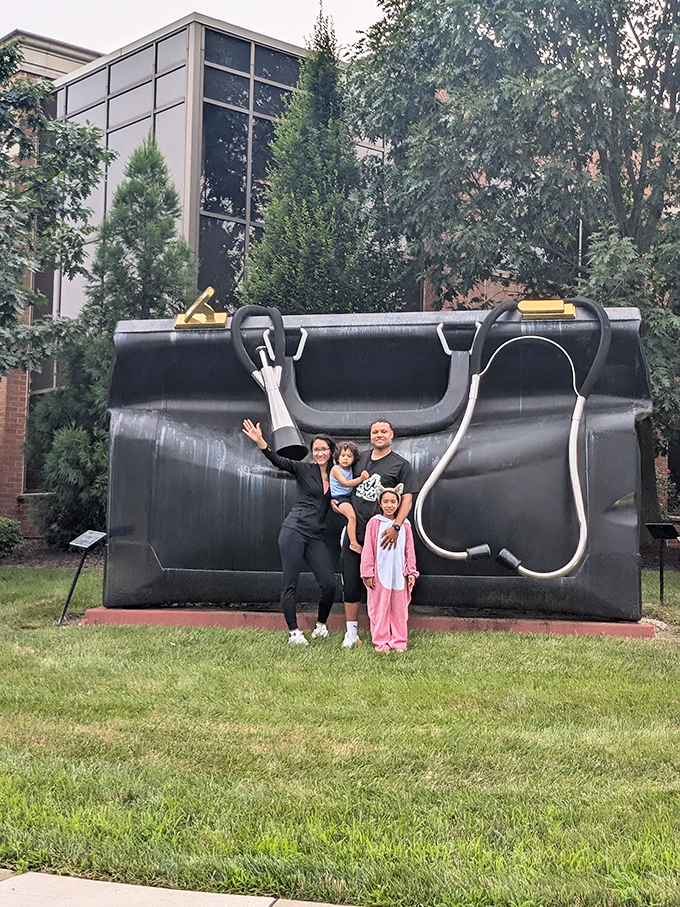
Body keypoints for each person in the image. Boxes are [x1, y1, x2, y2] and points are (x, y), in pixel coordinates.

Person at [242, 418, 337, 645]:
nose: (320, 453)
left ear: (332, 451)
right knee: (290, 582)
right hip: (294, 530)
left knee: (330, 583)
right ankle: (294, 632)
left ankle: (321, 626)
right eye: (316, 449)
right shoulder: (304, 469)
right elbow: (278, 460)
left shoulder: (339, 474)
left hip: (316, 535)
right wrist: (261, 442)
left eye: (324, 449)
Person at [337, 420, 416, 648]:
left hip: (383, 537)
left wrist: (397, 526)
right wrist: (338, 501)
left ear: (392, 434)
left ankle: (391, 633)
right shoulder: (360, 459)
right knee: (351, 581)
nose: (379, 435)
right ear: (370, 436)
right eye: (374, 432)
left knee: (383, 586)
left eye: (383, 431)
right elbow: (341, 477)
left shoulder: (401, 465)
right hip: (356, 532)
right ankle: (351, 632)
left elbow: (407, 499)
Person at [361, 484, 418, 652]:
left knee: (400, 610)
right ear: (380, 503)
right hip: (380, 575)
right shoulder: (374, 523)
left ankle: (399, 641)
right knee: (380, 608)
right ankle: (381, 642)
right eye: (385, 501)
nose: (389, 505)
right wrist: (367, 572)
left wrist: (411, 572)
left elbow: (410, 550)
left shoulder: (405, 525)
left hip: (399, 575)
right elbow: (368, 549)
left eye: (393, 501)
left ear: (398, 503)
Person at [329, 441, 369, 554]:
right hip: (341, 497)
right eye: (343, 456)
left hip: (349, 496)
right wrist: (361, 478)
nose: (345, 459)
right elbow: (345, 483)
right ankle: (353, 543)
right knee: (352, 517)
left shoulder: (350, 469)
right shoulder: (336, 469)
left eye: (349, 456)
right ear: (337, 457)